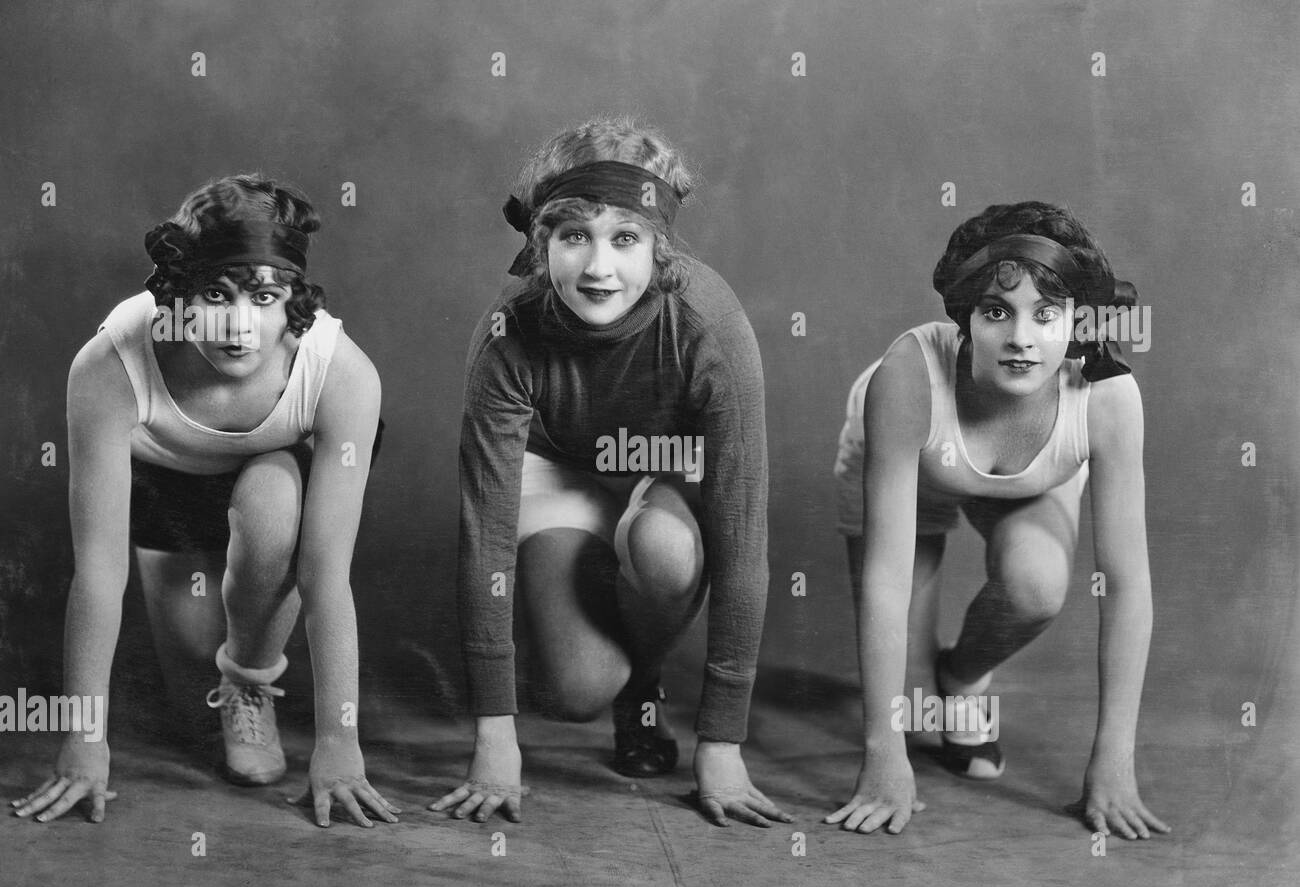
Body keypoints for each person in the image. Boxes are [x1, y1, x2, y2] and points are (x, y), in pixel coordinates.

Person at [433, 118, 790, 828]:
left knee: (663, 550)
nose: (599, 268)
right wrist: (494, 735)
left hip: (664, 466)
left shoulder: (707, 320)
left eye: (624, 239)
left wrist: (722, 739)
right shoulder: (510, 331)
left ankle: (646, 687)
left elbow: (742, 530)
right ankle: (618, 662)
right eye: (574, 238)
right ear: (541, 244)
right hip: (562, 468)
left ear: (659, 244)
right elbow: (487, 535)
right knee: (573, 694)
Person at [11, 174, 398, 829]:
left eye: (265, 297)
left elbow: (326, 579)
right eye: (215, 295)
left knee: (274, 492)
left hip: (278, 481)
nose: (239, 325)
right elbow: (99, 574)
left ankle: (249, 678)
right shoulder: (110, 363)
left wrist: (340, 743)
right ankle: (212, 671)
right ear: (176, 294)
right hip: (170, 486)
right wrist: (83, 741)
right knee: (191, 704)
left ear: (293, 303)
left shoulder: (341, 373)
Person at [828, 201, 1170, 840]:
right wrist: (884, 754)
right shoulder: (907, 377)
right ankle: (933, 690)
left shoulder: (1107, 396)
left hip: (1034, 480)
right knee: (907, 695)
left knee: (1037, 587)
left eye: (1046, 315)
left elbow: (1127, 586)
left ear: (1076, 322)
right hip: (920, 466)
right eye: (996, 312)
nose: (1021, 338)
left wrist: (1115, 762)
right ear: (962, 319)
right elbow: (885, 582)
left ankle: (964, 677)